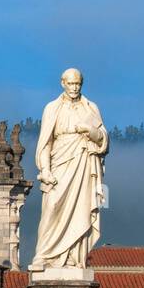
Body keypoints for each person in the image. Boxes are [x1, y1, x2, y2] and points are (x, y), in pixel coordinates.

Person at [30, 68, 108, 270]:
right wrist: (45, 170)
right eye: (71, 84)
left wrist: (90, 131)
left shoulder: (91, 108)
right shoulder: (52, 108)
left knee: (81, 208)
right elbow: (45, 143)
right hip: (59, 163)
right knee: (52, 207)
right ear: (62, 83)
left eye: (78, 84)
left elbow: (104, 140)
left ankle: (74, 256)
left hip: (83, 163)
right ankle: (44, 255)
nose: (74, 88)